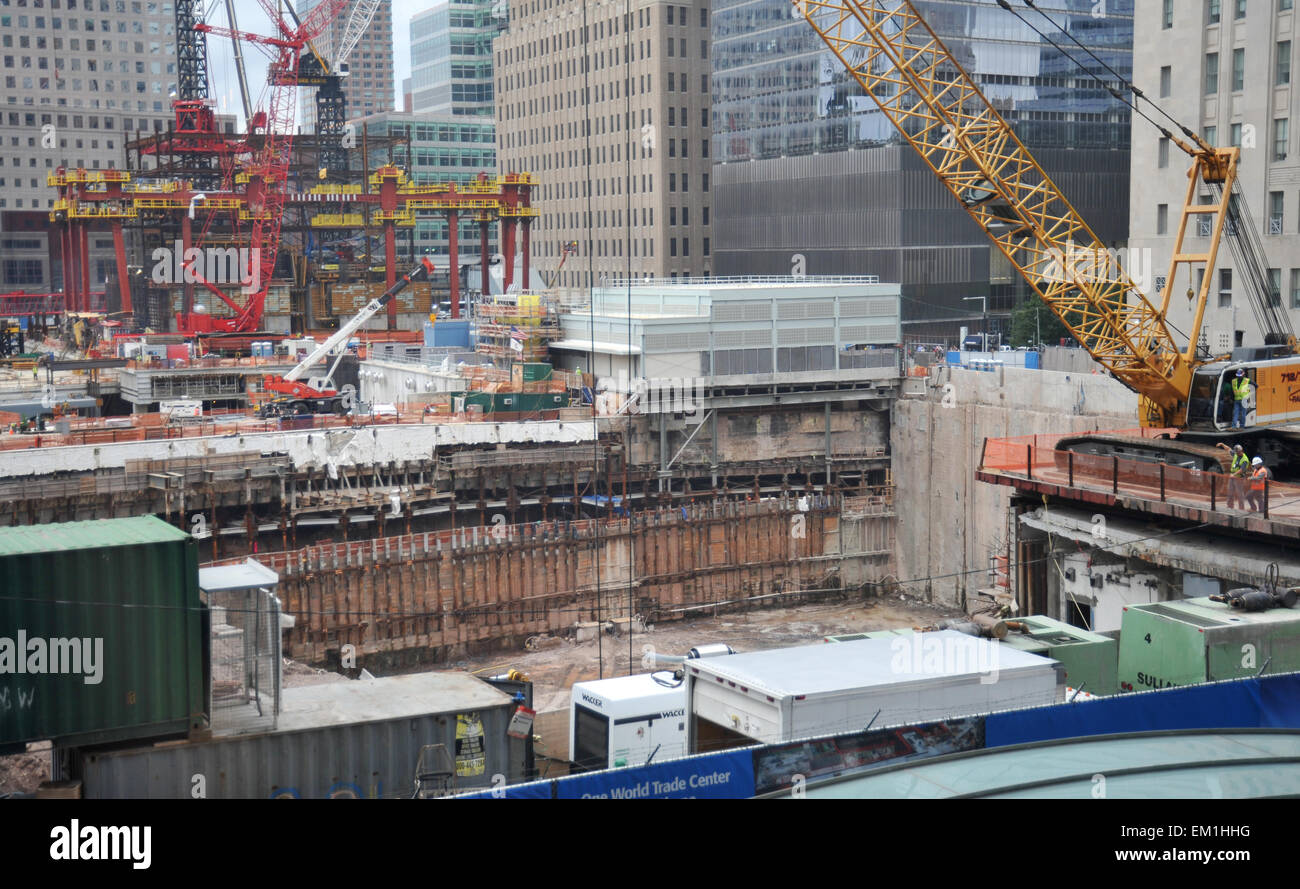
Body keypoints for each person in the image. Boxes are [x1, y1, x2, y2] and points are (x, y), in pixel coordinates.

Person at [1219, 443, 1250, 509]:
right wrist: (1222, 444)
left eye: (1238, 452)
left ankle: (1241, 508)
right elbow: (1228, 449)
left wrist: (1234, 474)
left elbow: (1242, 469)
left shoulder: (1245, 460)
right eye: (1236, 452)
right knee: (1230, 492)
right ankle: (1230, 506)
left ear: (1241, 451)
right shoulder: (1236, 454)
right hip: (1232, 476)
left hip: (1239, 478)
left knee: (1240, 494)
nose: (1236, 454)